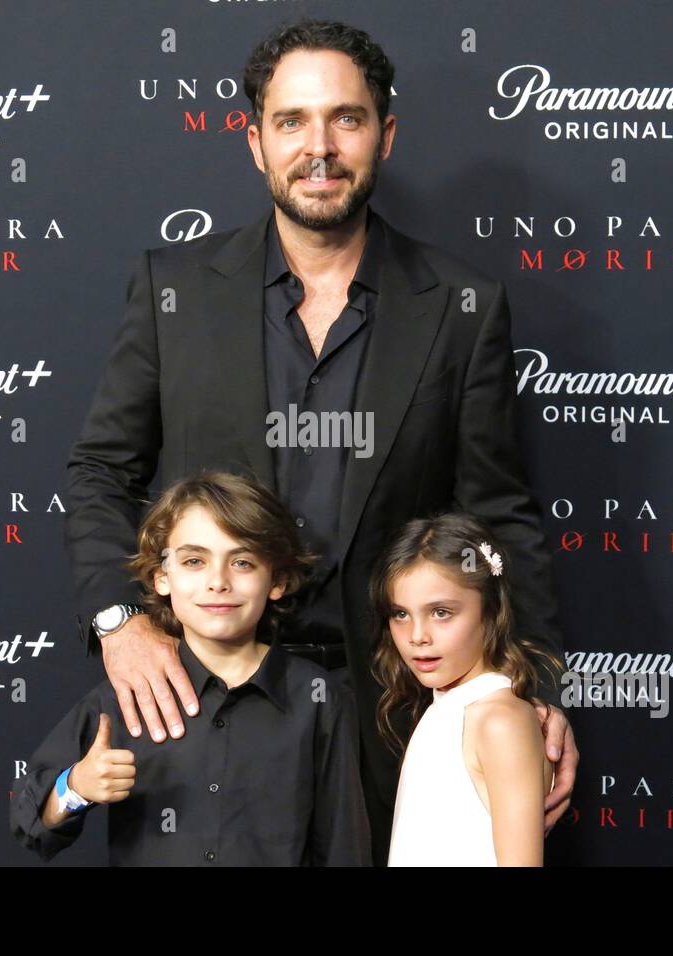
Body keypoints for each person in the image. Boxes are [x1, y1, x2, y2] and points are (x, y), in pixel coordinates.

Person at [62, 17, 578, 864]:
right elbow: (98, 472)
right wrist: (120, 621)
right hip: (209, 695)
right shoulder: (175, 288)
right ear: (255, 142)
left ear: (386, 134)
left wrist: (534, 692)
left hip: (392, 707)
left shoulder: (461, 304)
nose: (320, 147)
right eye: (292, 121)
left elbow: (498, 513)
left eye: (347, 118)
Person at [13, 471, 371, 865]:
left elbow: (343, 846)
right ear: (161, 577)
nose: (218, 582)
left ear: (278, 581)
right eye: (194, 561)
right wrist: (76, 786)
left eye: (243, 562)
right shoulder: (129, 694)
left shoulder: (319, 699)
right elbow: (31, 824)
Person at [371, 513, 557, 866]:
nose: (417, 636)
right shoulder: (447, 708)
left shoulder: (500, 720)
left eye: (441, 612)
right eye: (400, 614)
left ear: (490, 610)